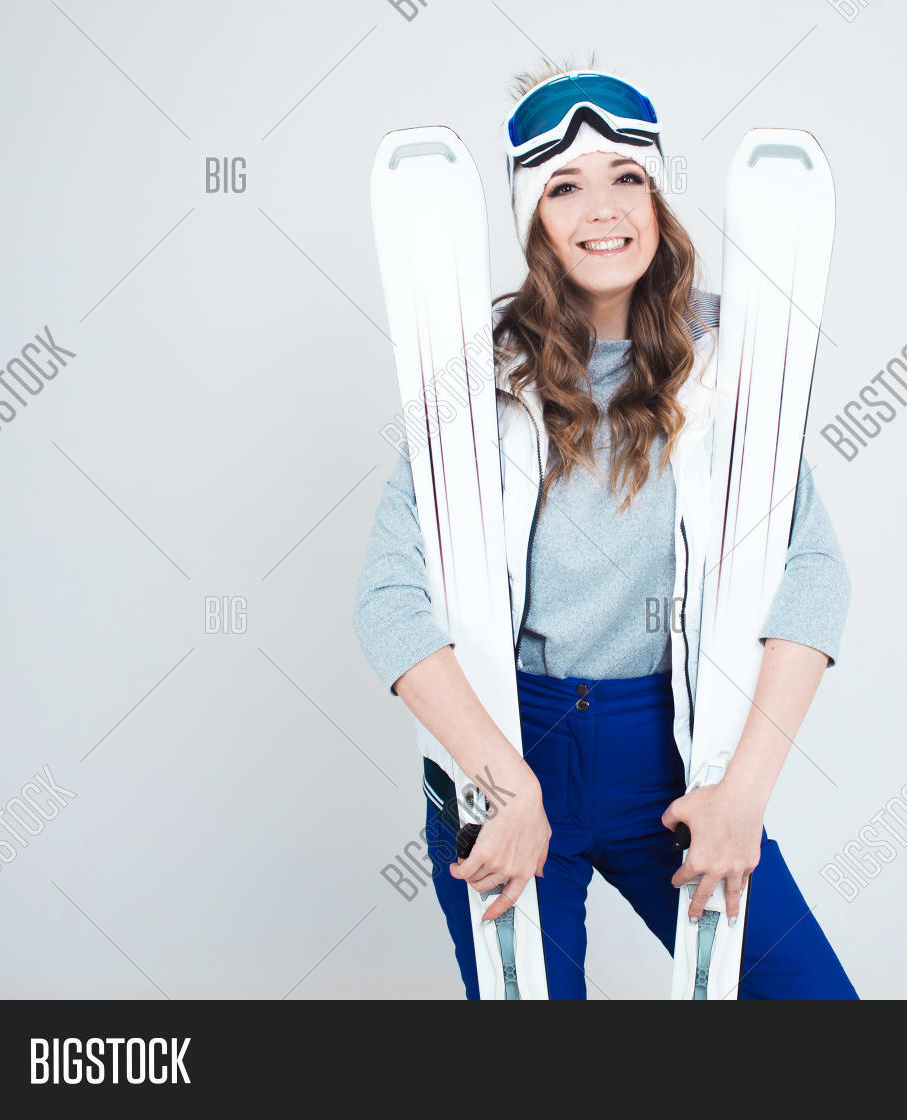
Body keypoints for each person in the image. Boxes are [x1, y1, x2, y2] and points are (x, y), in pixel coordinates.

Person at [353, 57, 857, 999]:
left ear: (657, 201)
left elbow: (815, 576)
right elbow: (387, 602)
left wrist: (744, 793)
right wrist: (503, 785)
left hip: (671, 757)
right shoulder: (477, 376)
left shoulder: (729, 363)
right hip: (510, 745)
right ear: (532, 221)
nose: (603, 210)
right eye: (564, 188)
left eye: (627, 178)